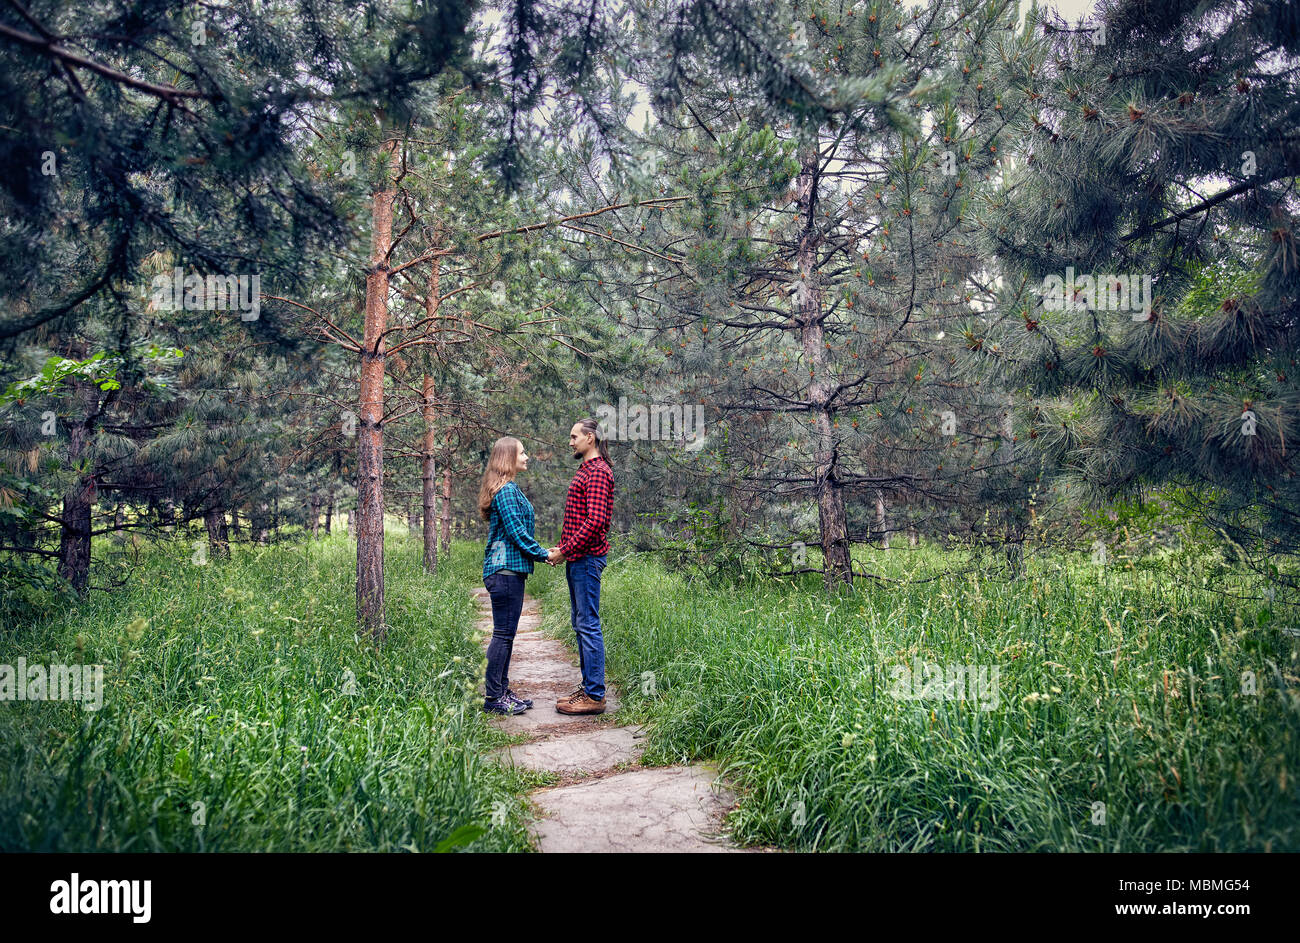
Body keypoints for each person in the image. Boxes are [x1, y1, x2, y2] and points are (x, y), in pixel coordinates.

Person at [546, 418, 615, 715]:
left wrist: (565, 550)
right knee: (581, 623)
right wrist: (563, 550)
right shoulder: (586, 470)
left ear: (590, 438)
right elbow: (579, 519)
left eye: (574, 436)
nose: (570, 442)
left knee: (587, 624)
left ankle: (595, 695)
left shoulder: (598, 472)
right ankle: (589, 688)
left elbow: (596, 522)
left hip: (586, 560)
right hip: (577, 558)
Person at [478, 436, 550, 715]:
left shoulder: (508, 488)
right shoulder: (506, 491)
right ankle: (494, 697)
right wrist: (544, 554)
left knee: (506, 635)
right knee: (502, 635)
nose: (527, 456)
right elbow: (516, 532)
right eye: (522, 453)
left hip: (510, 571)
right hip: (505, 571)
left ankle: (502, 691)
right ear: (508, 457)